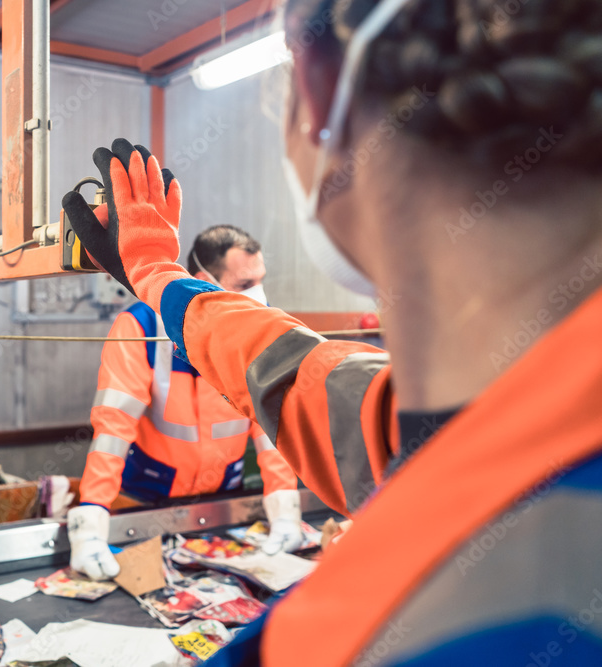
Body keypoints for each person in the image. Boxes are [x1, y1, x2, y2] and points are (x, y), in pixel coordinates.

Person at [61, 0, 602, 663]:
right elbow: (312, 384)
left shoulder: (360, 637)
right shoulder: (515, 418)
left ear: (315, 94)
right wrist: (160, 278)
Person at [67, 226, 302, 581]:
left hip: (224, 505)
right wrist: (90, 523)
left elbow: (271, 429)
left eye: (260, 281)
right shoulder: (141, 327)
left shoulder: (262, 329)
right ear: (203, 282)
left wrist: (285, 508)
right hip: (144, 503)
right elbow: (113, 430)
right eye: (243, 285)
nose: (258, 296)